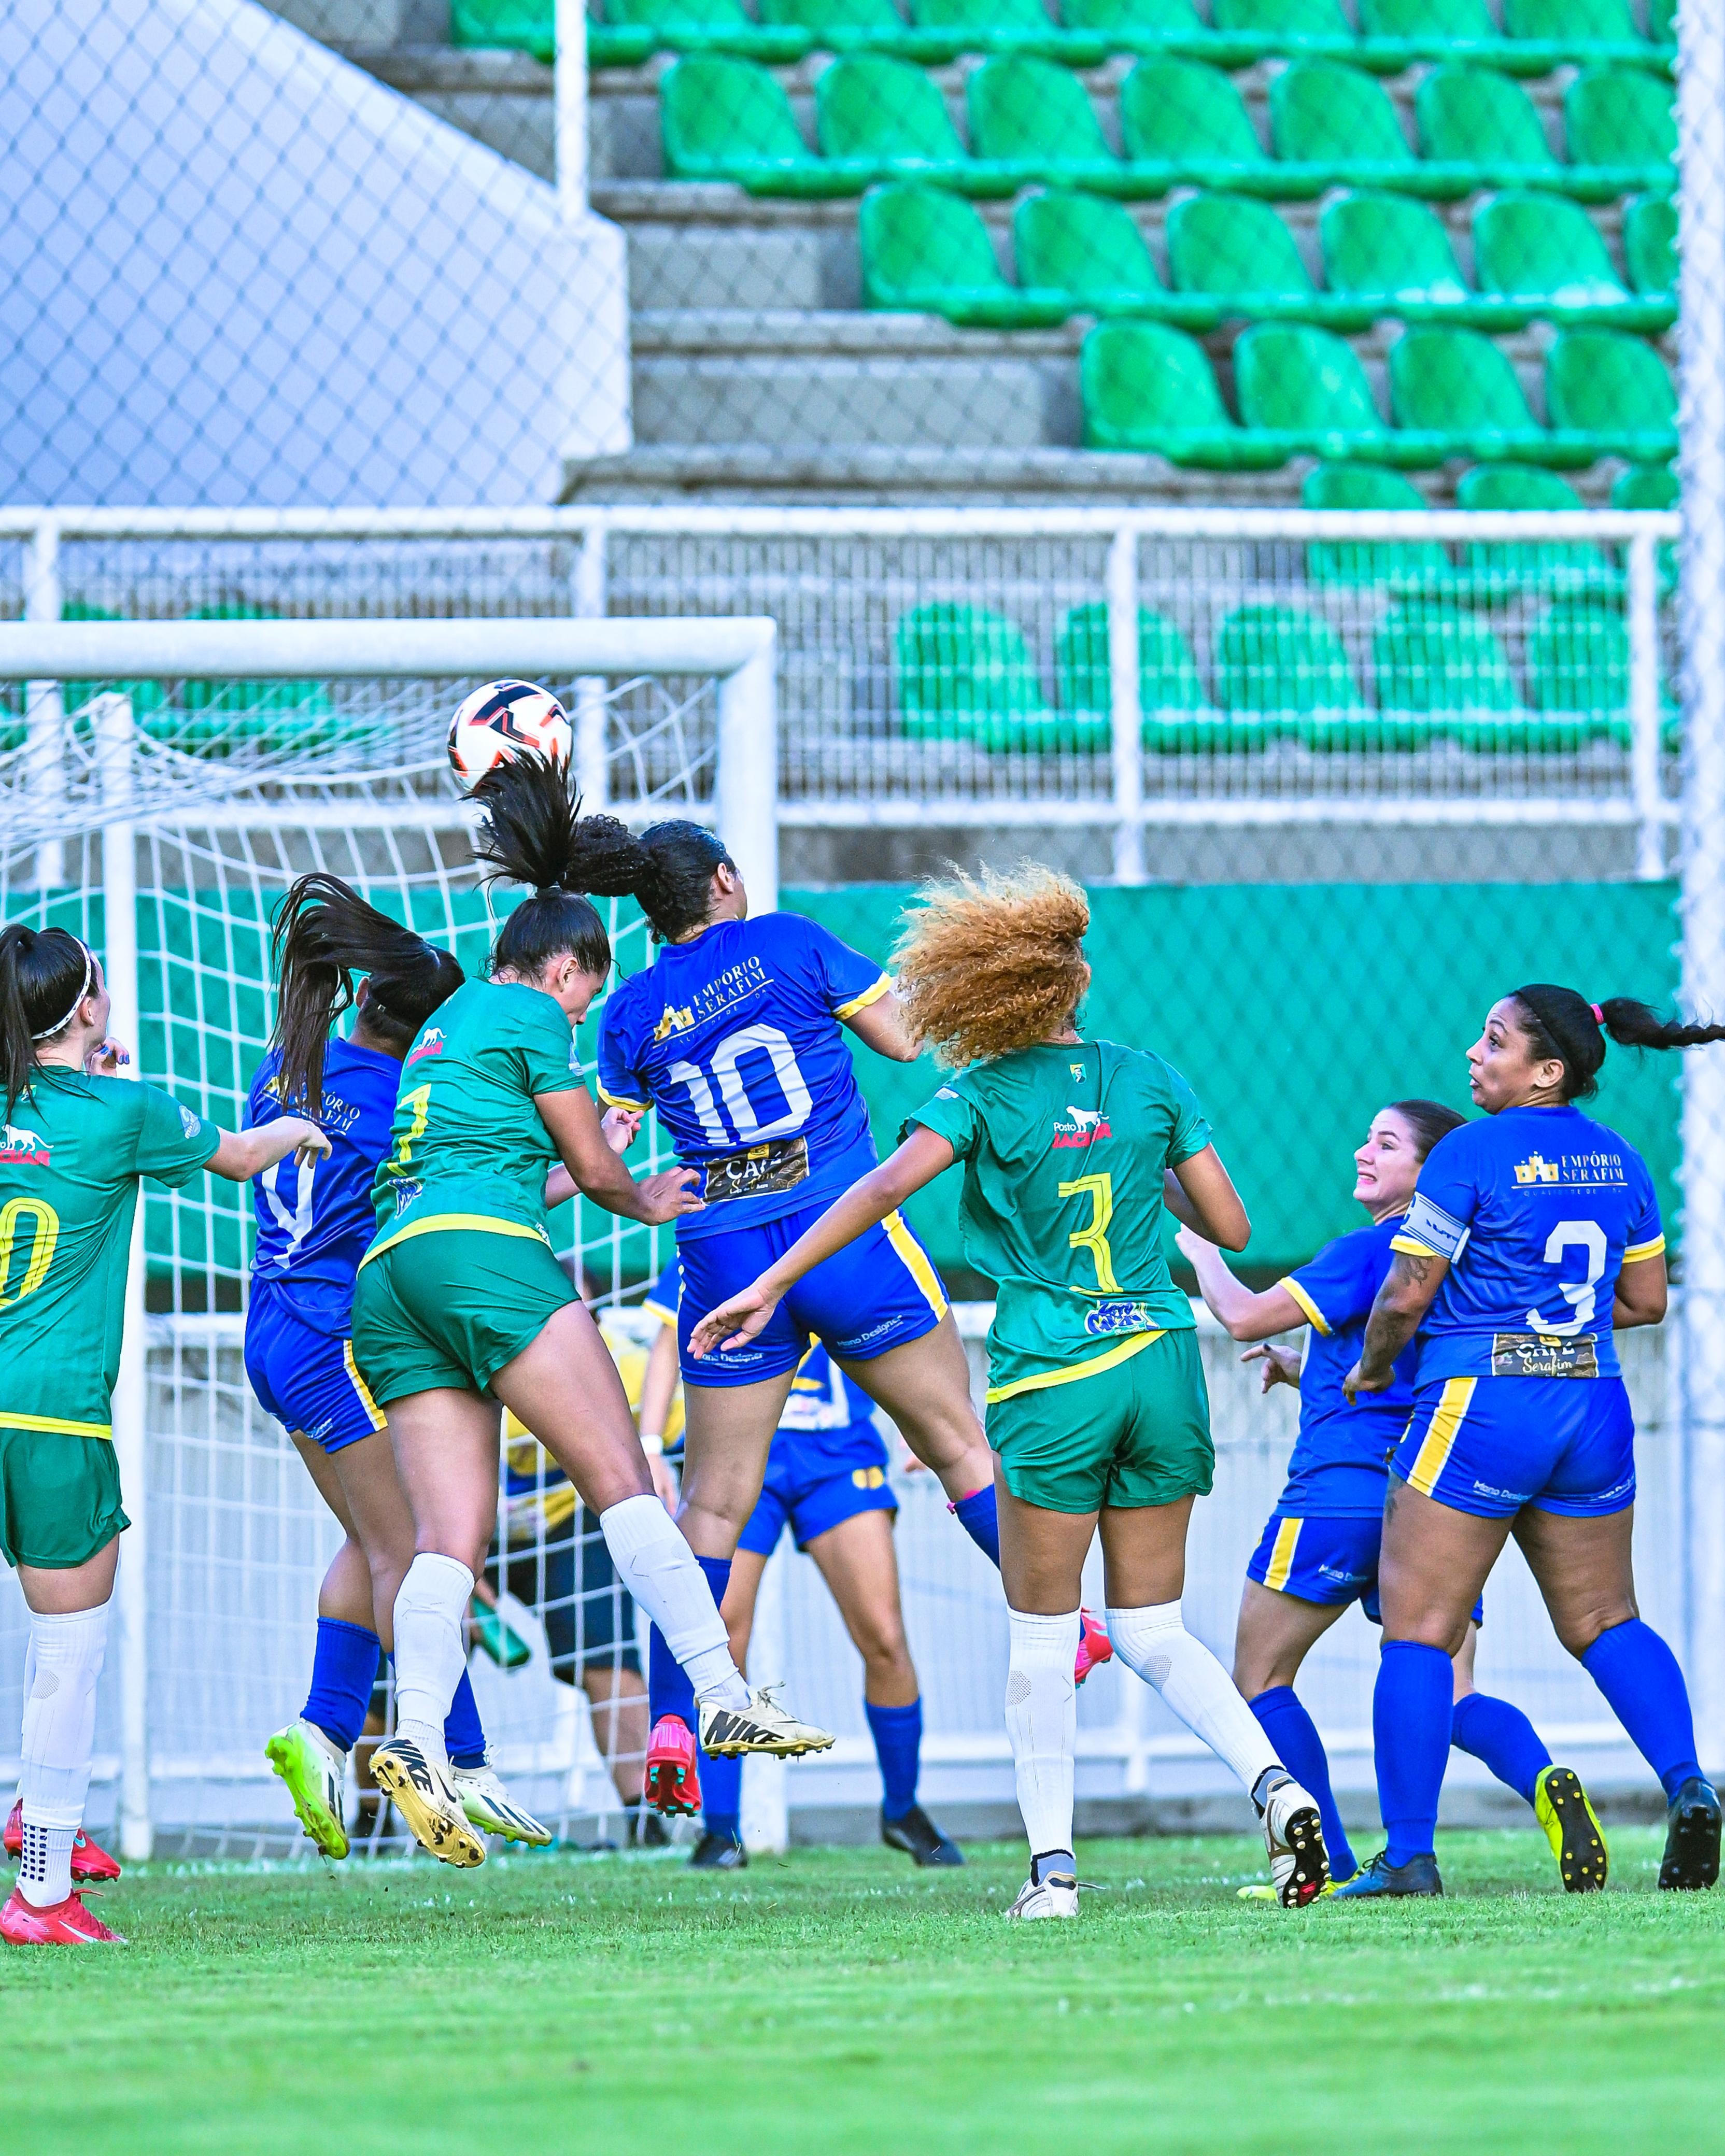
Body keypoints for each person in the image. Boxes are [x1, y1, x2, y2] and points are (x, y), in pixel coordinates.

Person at [690, 866, 1330, 1918]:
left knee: (1040, 1631)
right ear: (1072, 979)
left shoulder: (978, 1092)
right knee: (1153, 1625)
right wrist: (1139, 1155)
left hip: (1055, 1377)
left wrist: (767, 1281)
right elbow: (1231, 1230)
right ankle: (1273, 1786)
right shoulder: (1148, 1079)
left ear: (985, 992)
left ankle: (1053, 1875)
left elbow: (885, 1186)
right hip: (1161, 1367)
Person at [350, 750, 832, 1868]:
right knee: (629, 1476)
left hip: (396, 1274)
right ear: (564, 967)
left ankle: (417, 1739)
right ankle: (716, 1693)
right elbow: (600, 1173)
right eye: (588, 984)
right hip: (485, 1260)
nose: (585, 1004)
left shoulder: (451, 1024)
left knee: (445, 1539)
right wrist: (645, 1194)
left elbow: (528, 1169)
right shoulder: (530, 1019)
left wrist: (594, 1166)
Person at [584, 813, 1106, 1819]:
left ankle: (671, 1720)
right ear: (724, 879)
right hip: (840, 1231)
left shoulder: (627, 1011)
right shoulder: (788, 940)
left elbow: (602, 1153)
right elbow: (905, 1039)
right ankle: (1070, 1622)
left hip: (724, 1250)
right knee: (958, 1448)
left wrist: (584, 1188)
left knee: (710, 1509)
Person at [1335, 984, 1725, 1898]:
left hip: (1480, 1406)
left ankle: (1407, 1856)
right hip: (1590, 1405)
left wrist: (1369, 1372)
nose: (1474, 1053)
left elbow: (1402, 1295)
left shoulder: (1468, 1152)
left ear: (1545, 1070)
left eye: (1494, 1041)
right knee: (1604, 1622)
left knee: (1418, 1635)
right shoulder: (1623, 1160)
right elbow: (1644, 1303)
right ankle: (1689, 1786)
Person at [1180, 1100, 1608, 1895]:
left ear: (1431, 1170)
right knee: (1452, 1692)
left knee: (1261, 1678)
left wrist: (1199, 1248)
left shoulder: (1370, 1250)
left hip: (1338, 1495)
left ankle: (1329, 1859)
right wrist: (1299, 1365)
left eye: (1385, 1144)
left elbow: (1238, 1315)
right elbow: (1394, 1356)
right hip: (1435, 1498)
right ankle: (1545, 1778)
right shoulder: (1470, 1266)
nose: (1361, 1153)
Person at [0, 924, 328, 1946]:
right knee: (69, 1654)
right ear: (90, 1009)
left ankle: (34, 1827)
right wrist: (302, 1130)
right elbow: (236, 1158)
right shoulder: (125, 1108)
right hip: (52, 1411)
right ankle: (43, 1891)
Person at [248, 875, 549, 1862]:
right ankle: (457, 1760)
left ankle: (322, 1729)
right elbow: (427, 1200)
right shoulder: (390, 1107)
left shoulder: (289, 1067)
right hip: (333, 1336)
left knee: (370, 1536)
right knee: (413, 1548)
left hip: (273, 1331)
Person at [637, 1261, 962, 1871]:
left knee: (884, 1635)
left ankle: (902, 1809)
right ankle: (722, 1830)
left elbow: (907, 1325)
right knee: (721, 1638)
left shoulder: (844, 1212)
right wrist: (651, 1443)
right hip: (737, 1455)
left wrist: (927, 1422)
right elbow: (666, 1338)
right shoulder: (719, 1218)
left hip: (838, 1453)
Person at [489, 1273, 685, 1848]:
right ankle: (377, 1820)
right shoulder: (468, 1361)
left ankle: (646, 1819)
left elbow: (677, 1427)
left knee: (606, 1649)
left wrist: (659, 1459)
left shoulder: (625, 1370)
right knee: (405, 1638)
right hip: (469, 1531)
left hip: (566, 1525)